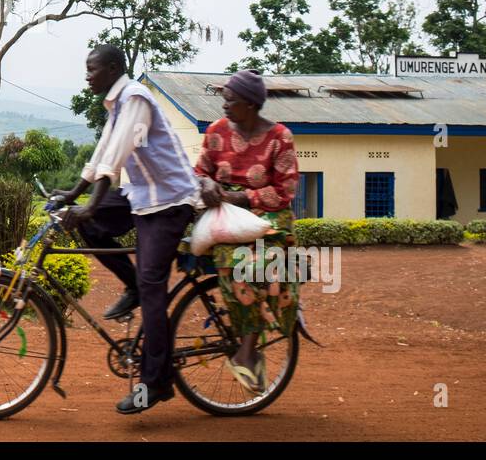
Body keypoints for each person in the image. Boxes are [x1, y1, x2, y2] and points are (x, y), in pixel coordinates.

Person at [50, 44, 202, 414]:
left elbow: (115, 156)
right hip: (141, 196)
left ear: (114, 68)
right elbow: (101, 154)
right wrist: (73, 195)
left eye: (92, 69)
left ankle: (156, 383)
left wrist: (88, 205)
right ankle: (131, 285)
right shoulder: (115, 105)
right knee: (90, 226)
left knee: (153, 285)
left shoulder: (135, 98)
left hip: (170, 201)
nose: (87, 75)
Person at [193, 68, 301, 394]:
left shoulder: (280, 137)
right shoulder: (216, 131)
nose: (224, 106)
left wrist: (243, 196)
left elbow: (285, 191)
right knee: (230, 262)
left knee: (255, 265)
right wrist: (207, 183)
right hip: (226, 217)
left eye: (230, 100)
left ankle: (247, 349)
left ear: (251, 105)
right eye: (224, 99)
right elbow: (198, 171)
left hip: (268, 217)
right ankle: (247, 345)